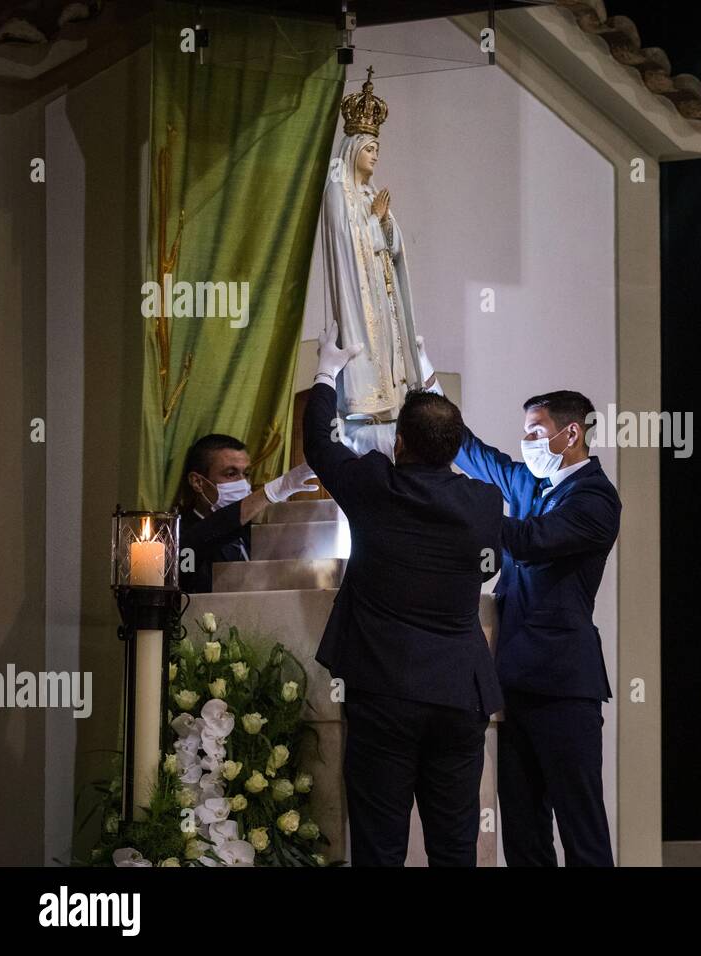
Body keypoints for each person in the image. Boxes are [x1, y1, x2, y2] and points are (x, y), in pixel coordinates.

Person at [413, 338, 620, 866]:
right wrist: (428, 378)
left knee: (582, 829)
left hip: (564, 687)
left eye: (535, 433)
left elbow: (532, 541)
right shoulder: (535, 485)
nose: (526, 443)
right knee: (524, 836)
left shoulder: (595, 499)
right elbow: (475, 454)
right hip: (514, 686)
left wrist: (459, 510)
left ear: (570, 433)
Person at [305, 326, 504, 867]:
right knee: (455, 846)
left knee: (380, 846)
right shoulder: (484, 503)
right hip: (460, 694)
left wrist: (326, 371)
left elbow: (320, 445)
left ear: (398, 444)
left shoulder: (376, 486)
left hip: (385, 690)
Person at [323, 68, 428, 459]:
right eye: (370, 150)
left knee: (392, 351)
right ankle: (368, 403)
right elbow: (345, 246)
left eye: (378, 151)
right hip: (360, 293)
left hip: (383, 293)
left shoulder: (368, 193)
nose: (375, 157)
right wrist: (372, 219)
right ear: (352, 151)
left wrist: (383, 221)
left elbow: (394, 248)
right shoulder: (339, 192)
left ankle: (392, 401)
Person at [177, 435, 318, 593]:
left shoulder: (254, 531)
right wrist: (269, 493)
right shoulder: (180, 535)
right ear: (198, 482)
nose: (243, 482)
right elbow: (205, 534)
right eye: (231, 474)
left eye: (246, 474)